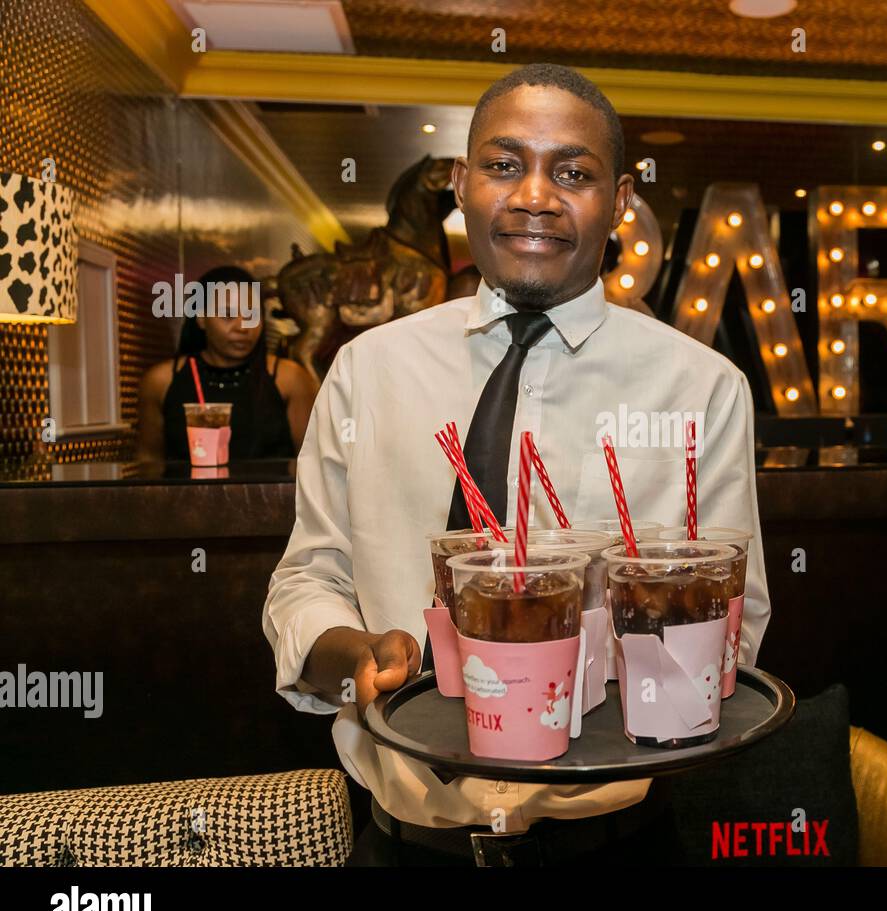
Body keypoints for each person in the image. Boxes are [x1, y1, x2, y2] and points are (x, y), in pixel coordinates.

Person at [262, 63, 771, 866]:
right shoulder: (367, 372)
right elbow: (309, 575)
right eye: (505, 165)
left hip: (615, 846)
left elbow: (736, 613)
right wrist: (350, 652)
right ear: (461, 185)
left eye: (574, 172)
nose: (536, 194)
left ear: (621, 199)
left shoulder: (701, 387)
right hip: (405, 844)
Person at [137, 266, 317, 462]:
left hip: (269, 494)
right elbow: (149, 461)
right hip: (189, 494)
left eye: (251, 316)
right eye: (228, 316)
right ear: (201, 319)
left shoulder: (289, 378)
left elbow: (311, 461)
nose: (242, 327)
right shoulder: (161, 381)